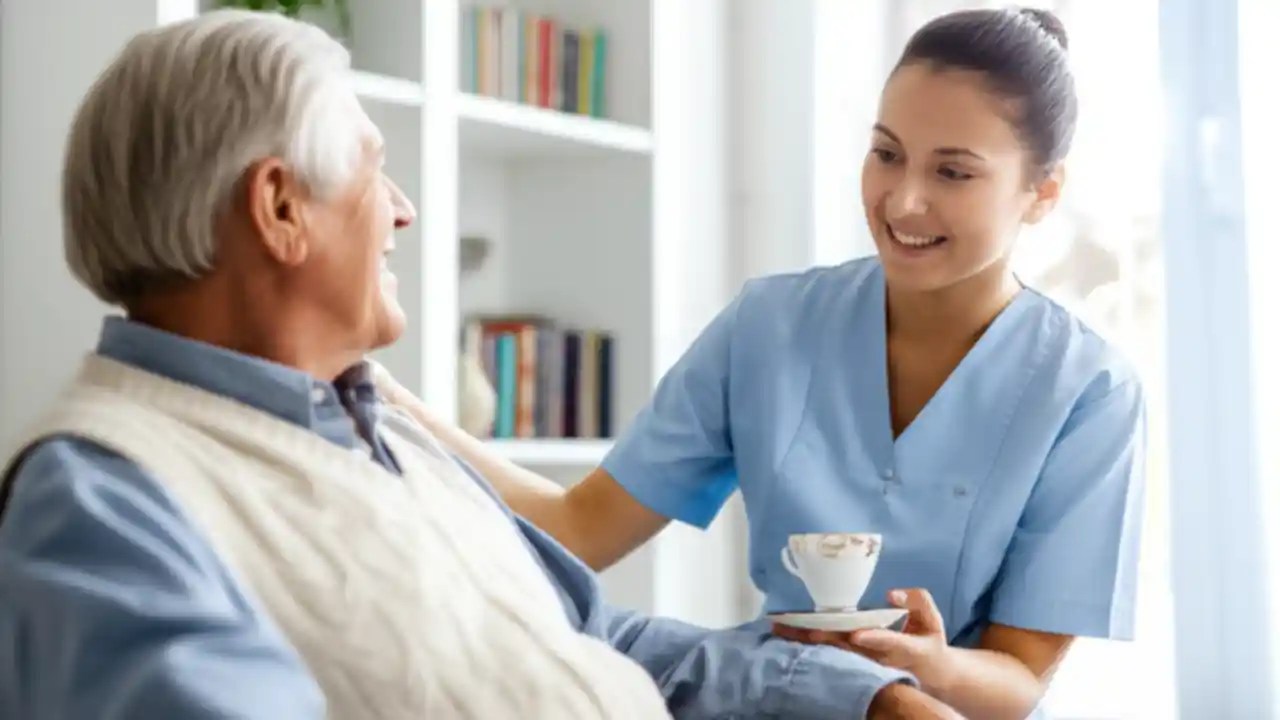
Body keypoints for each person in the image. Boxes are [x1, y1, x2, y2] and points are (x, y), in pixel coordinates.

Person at [0, 9, 967, 720]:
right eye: (374, 169)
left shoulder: (379, 434)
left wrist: (865, 698)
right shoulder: (100, 502)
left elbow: (591, 637)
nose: (404, 210)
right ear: (281, 209)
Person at [383, 7, 1146, 720]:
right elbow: (577, 528)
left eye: (953, 173)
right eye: (886, 154)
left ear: (1041, 193)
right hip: (772, 697)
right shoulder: (770, 327)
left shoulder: (1087, 390)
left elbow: (1018, 680)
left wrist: (924, 665)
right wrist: (382, 398)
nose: (903, 200)